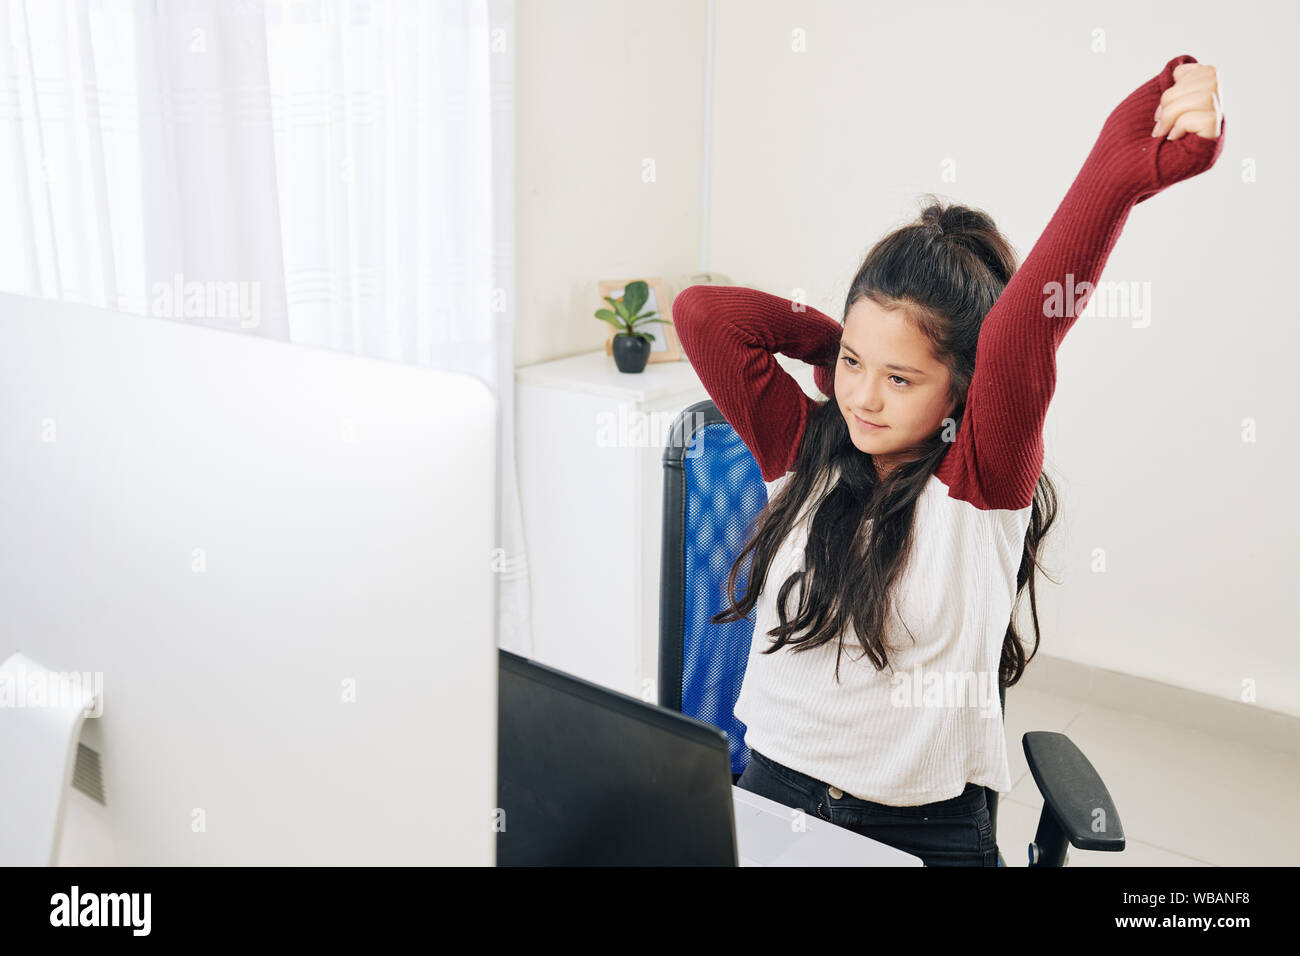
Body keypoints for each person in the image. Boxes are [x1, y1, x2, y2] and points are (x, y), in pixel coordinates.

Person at [672, 54, 1225, 867]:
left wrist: (1122, 169)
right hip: (776, 800)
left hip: (919, 831)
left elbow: (1021, 330)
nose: (864, 399)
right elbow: (704, 315)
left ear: (962, 392)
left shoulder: (979, 484)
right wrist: (839, 347)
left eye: (901, 379)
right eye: (856, 366)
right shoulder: (804, 449)